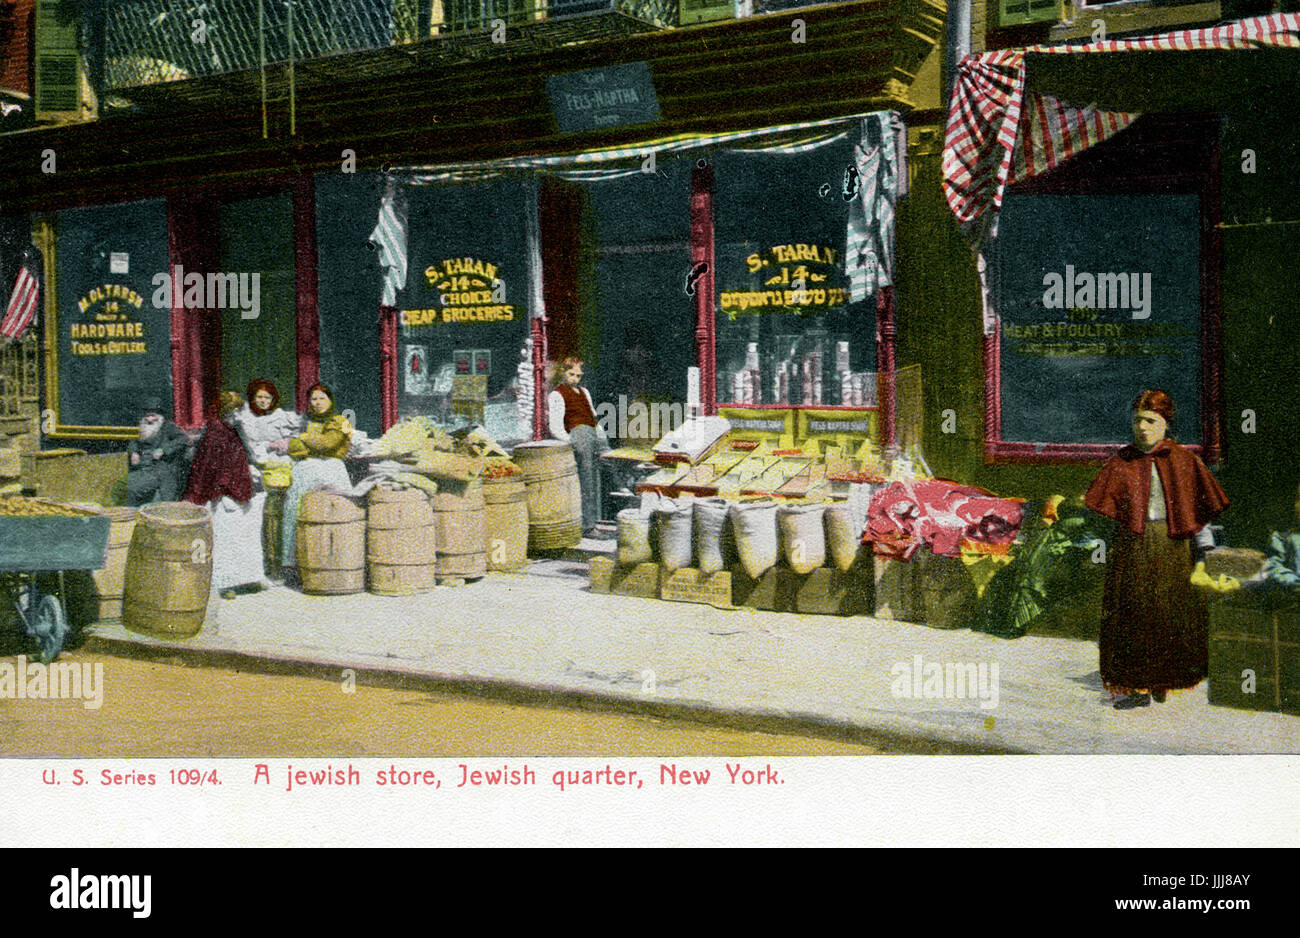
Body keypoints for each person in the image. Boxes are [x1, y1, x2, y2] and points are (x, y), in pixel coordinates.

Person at [1084, 389, 1230, 710]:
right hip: (1132, 546)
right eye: (1138, 420)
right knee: (1133, 613)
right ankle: (1136, 686)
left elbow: (1198, 512)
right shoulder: (1122, 461)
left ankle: (1165, 679)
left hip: (1172, 546)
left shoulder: (1184, 460)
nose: (1143, 428)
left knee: (1169, 611)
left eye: (1151, 420)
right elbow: (1105, 514)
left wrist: (1206, 550)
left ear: (1165, 424)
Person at [183, 391, 266, 596]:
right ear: (223, 412)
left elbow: (251, 454)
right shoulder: (214, 433)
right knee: (226, 541)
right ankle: (225, 584)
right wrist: (215, 491)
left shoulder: (235, 430)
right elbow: (206, 468)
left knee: (246, 538)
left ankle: (249, 578)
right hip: (223, 495)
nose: (237, 416)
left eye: (239, 411)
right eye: (233, 411)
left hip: (240, 491)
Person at [278, 383, 354, 578]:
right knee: (297, 508)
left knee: (336, 512)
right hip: (307, 468)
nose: (318, 403)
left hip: (332, 469)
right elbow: (294, 448)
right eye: (314, 399)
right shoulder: (305, 421)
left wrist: (304, 438)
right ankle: (294, 564)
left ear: (330, 400)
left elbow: (329, 443)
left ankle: (340, 563)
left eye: (322, 398)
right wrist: (309, 444)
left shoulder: (340, 421)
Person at [547, 356, 609, 533]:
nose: (575, 378)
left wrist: (602, 439)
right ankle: (587, 526)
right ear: (563, 372)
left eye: (578, 375)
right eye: (571, 374)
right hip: (578, 438)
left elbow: (593, 417)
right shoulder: (557, 395)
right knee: (586, 482)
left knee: (598, 476)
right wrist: (572, 443)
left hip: (593, 435)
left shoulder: (584, 392)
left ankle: (597, 519)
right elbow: (556, 427)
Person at [235, 378, 302, 488]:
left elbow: (296, 437)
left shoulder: (282, 417)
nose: (263, 401)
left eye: (267, 397)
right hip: (256, 461)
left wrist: (285, 444)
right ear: (252, 398)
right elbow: (248, 446)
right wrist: (266, 446)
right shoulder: (245, 419)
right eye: (259, 397)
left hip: (281, 460)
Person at [126, 397, 190, 507]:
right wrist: (134, 453)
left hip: (161, 470)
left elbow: (183, 439)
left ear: (160, 416)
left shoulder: (168, 427)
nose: (150, 419)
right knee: (125, 486)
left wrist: (163, 450)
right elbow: (134, 442)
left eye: (153, 416)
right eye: (147, 416)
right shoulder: (143, 427)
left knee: (134, 489)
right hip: (143, 469)